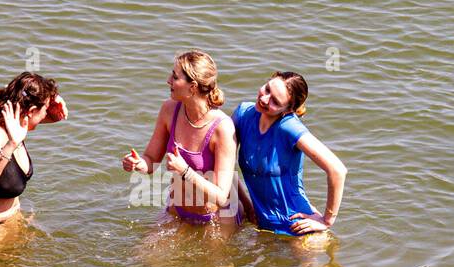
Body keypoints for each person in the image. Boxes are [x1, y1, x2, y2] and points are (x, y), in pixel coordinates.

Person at [120, 50, 239, 225]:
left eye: (175, 77)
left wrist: (185, 171)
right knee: (142, 252)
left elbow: (221, 197)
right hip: (176, 210)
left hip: (216, 218)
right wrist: (139, 164)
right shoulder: (170, 110)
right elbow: (151, 159)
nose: (168, 80)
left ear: (193, 87)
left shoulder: (222, 127)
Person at [231, 72, 347, 235]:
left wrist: (327, 220)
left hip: (297, 227)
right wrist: (247, 205)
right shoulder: (243, 114)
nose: (264, 99)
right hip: (262, 226)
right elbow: (223, 163)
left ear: (288, 109)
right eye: (267, 89)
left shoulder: (289, 127)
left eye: (275, 101)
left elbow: (337, 170)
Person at [0, 72, 67, 225]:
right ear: (31, 110)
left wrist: (53, 98)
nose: (45, 114)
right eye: (45, 109)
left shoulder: (18, 125)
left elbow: (58, 116)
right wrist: (12, 144)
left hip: (14, 221)